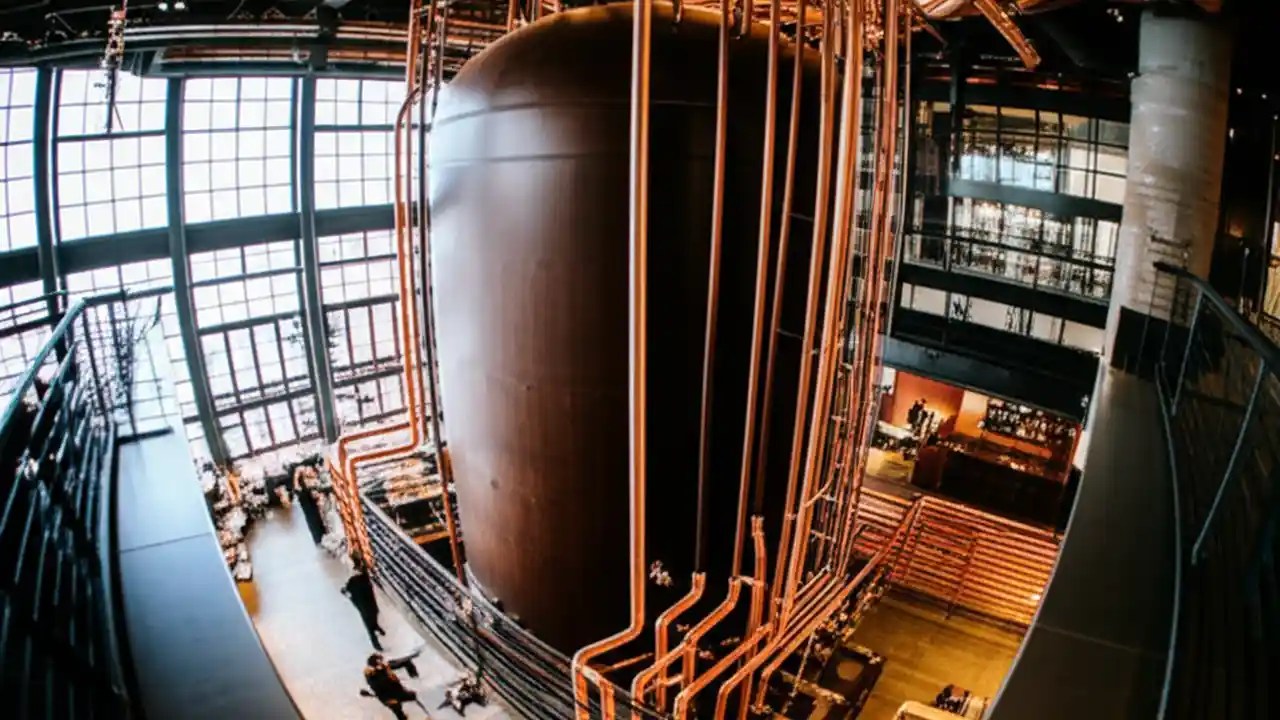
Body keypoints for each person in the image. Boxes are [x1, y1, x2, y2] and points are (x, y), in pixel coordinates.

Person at [360, 652, 428, 719]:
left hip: (398, 692)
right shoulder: (371, 676)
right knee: (396, 707)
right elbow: (377, 685)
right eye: (380, 661)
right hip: (388, 697)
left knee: (413, 696)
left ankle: (427, 714)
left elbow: (398, 663)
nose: (383, 662)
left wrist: (409, 660)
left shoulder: (384, 667)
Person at [342, 555, 387, 649]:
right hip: (365, 603)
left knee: (371, 618)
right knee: (370, 619)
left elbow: (345, 591)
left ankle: (376, 628)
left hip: (365, 603)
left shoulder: (358, 579)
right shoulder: (359, 578)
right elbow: (345, 590)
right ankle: (376, 641)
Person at [292, 462, 327, 545]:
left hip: (305, 494)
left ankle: (320, 538)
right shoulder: (301, 472)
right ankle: (320, 538)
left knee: (314, 517)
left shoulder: (302, 475)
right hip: (305, 495)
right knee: (313, 517)